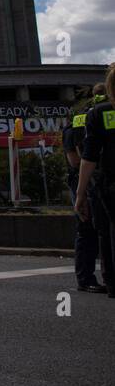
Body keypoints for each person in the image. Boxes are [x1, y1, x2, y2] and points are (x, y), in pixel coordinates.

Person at [75, 64, 115, 300]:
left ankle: (111, 281)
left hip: (109, 184)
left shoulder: (99, 114)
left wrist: (80, 194)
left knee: (108, 233)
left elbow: (88, 156)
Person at [65, 83, 109, 293]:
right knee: (97, 230)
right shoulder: (102, 113)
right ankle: (91, 278)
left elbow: (73, 158)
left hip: (85, 177)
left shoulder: (79, 116)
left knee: (89, 229)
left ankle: (87, 277)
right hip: (97, 178)